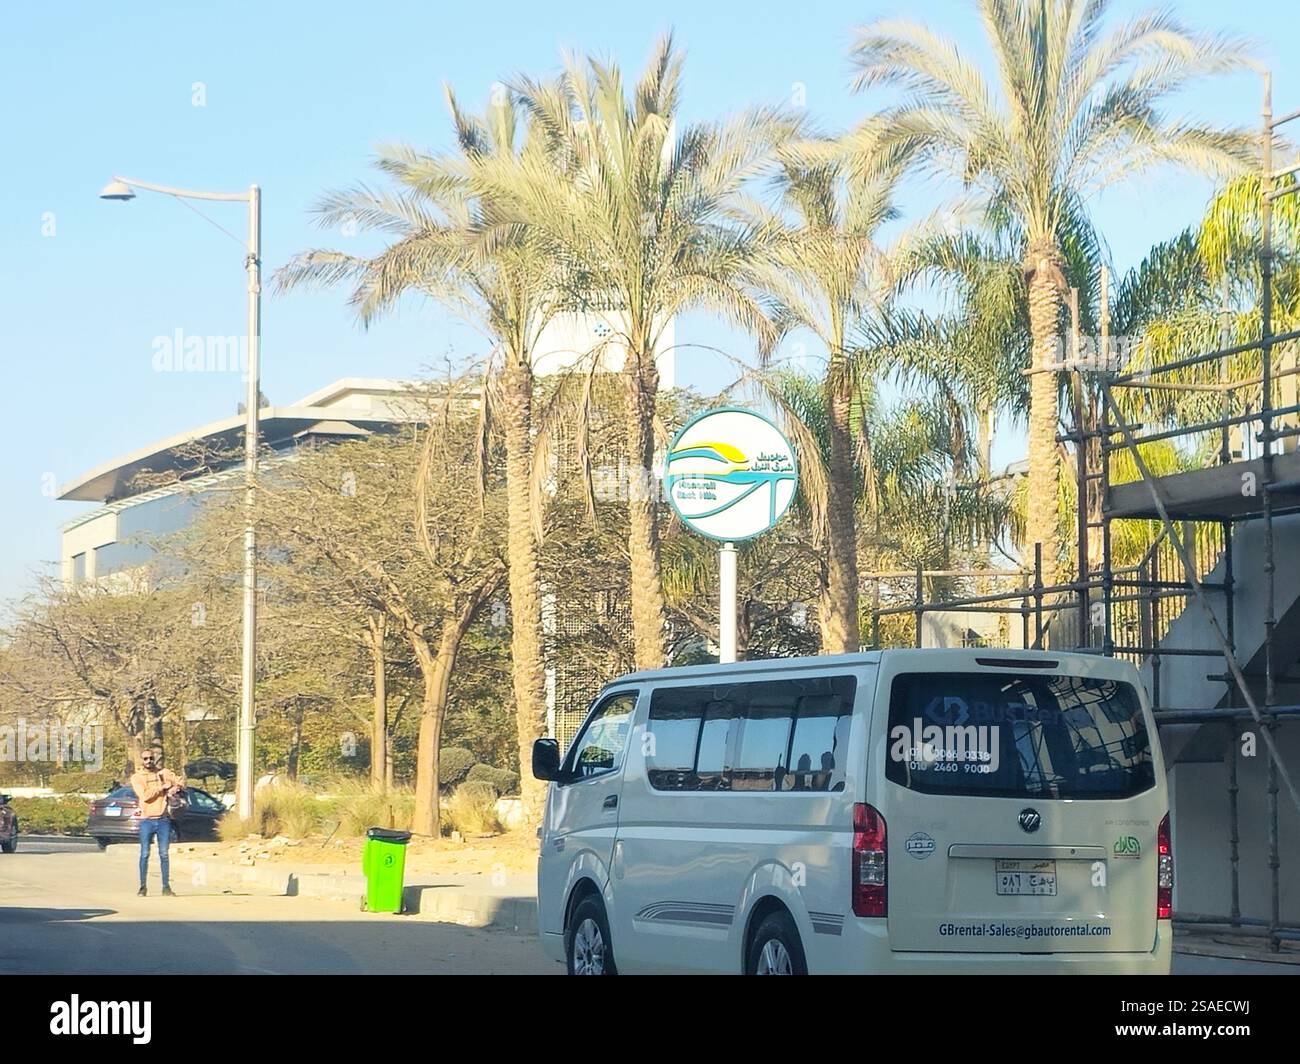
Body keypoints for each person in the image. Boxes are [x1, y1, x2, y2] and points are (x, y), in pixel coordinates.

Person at [129, 746, 185, 897]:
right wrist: (162, 787)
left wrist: (176, 787)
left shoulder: (163, 773)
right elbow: (145, 796)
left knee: (164, 854)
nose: (149, 761)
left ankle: (166, 887)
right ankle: (142, 887)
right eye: (145, 758)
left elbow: (180, 781)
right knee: (145, 853)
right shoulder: (137, 778)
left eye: (151, 758)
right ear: (141, 760)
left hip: (163, 819)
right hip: (147, 820)